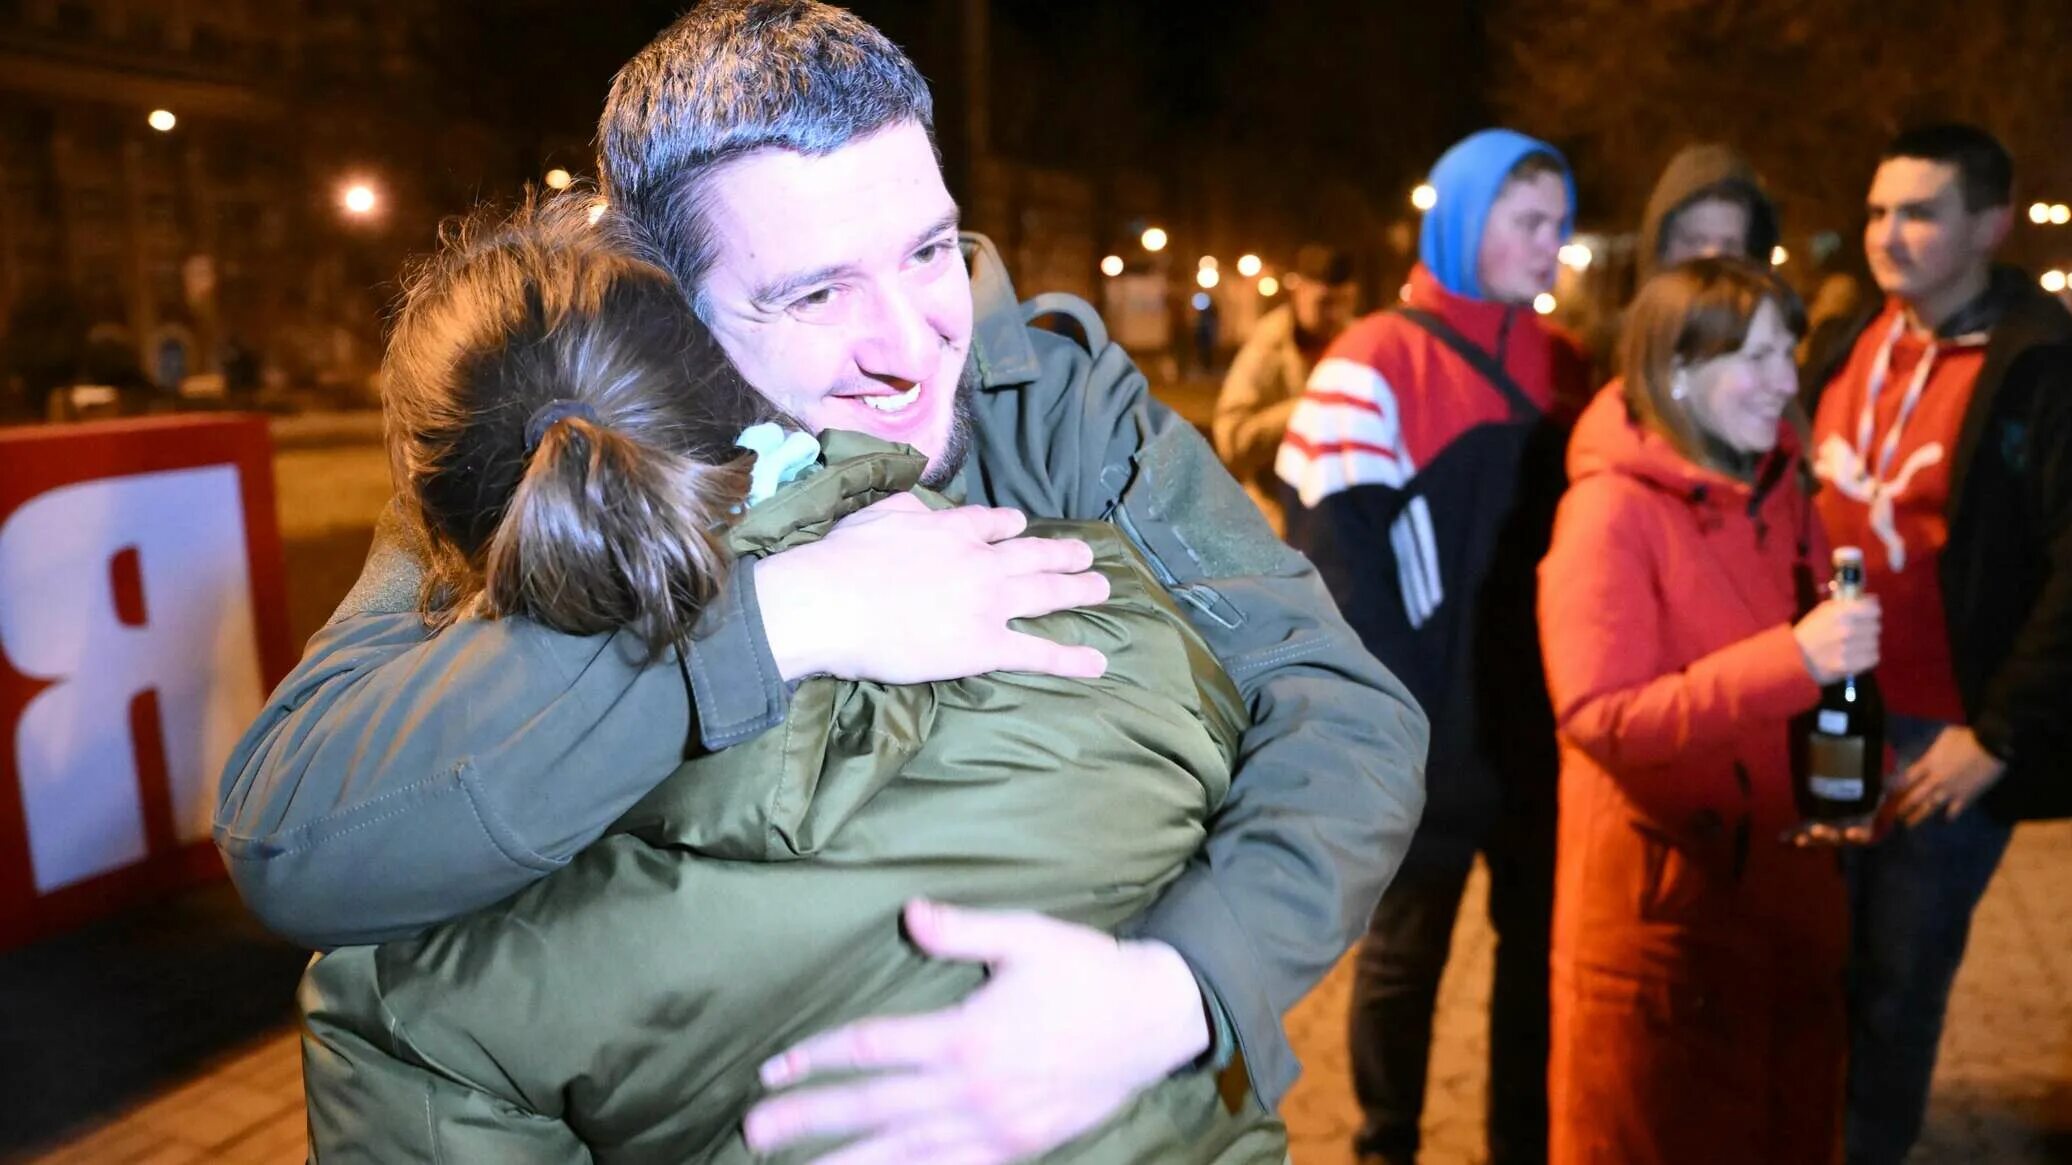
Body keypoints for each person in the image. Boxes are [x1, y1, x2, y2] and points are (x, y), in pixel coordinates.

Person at [214, 4, 1429, 1161]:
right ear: (669, 312)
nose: (909, 348)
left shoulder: (1051, 399)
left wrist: (1174, 990)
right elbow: (301, 836)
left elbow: (1341, 708)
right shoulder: (547, 455)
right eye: (814, 292)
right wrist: (773, 623)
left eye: (926, 249)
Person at [297, 194, 1287, 1163]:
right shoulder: (1100, 594)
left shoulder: (411, 988)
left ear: (449, 535)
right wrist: (1181, 997)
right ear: (730, 381)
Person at [1276, 128, 1591, 1165]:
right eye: (1526, 222)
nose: (1550, 247)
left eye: (1558, 224)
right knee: (1402, 963)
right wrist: (1388, 738)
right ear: (1460, 219)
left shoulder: (1566, 367)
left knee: (1537, 962)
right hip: (1422, 748)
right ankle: (1384, 1145)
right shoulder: (1367, 364)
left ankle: (1521, 1143)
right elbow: (1337, 575)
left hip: (1542, 738)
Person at [1540, 257, 1876, 1164]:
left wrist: (1838, 785)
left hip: (1784, 911)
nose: (1787, 379)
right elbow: (1600, 714)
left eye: (1787, 352)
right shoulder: (1608, 513)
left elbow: (1807, 701)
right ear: (1677, 373)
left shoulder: (1783, 496)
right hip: (1667, 928)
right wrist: (1793, 660)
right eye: (1757, 357)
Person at [1803, 123, 2072, 1165]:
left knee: (1894, 986)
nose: (1886, 235)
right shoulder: (1848, 341)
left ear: (1987, 225)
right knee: (1819, 966)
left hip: (1941, 734)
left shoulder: (2036, 368)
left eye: (1917, 212)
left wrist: (1995, 733)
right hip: (1826, 707)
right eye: (1875, 210)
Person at [1585, 143, 1781, 379]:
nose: (1711, 259)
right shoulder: (1605, 362)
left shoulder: (1773, 370)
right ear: (1660, 249)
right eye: (1695, 241)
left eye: (1729, 246)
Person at [1213, 243, 1358, 533]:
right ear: (1299, 291)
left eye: (1343, 302)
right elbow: (1231, 440)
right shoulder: (1267, 348)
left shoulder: (1357, 345)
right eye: (1325, 303)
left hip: (1340, 525)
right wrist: (1308, 407)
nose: (1334, 315)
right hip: (1278, 525)